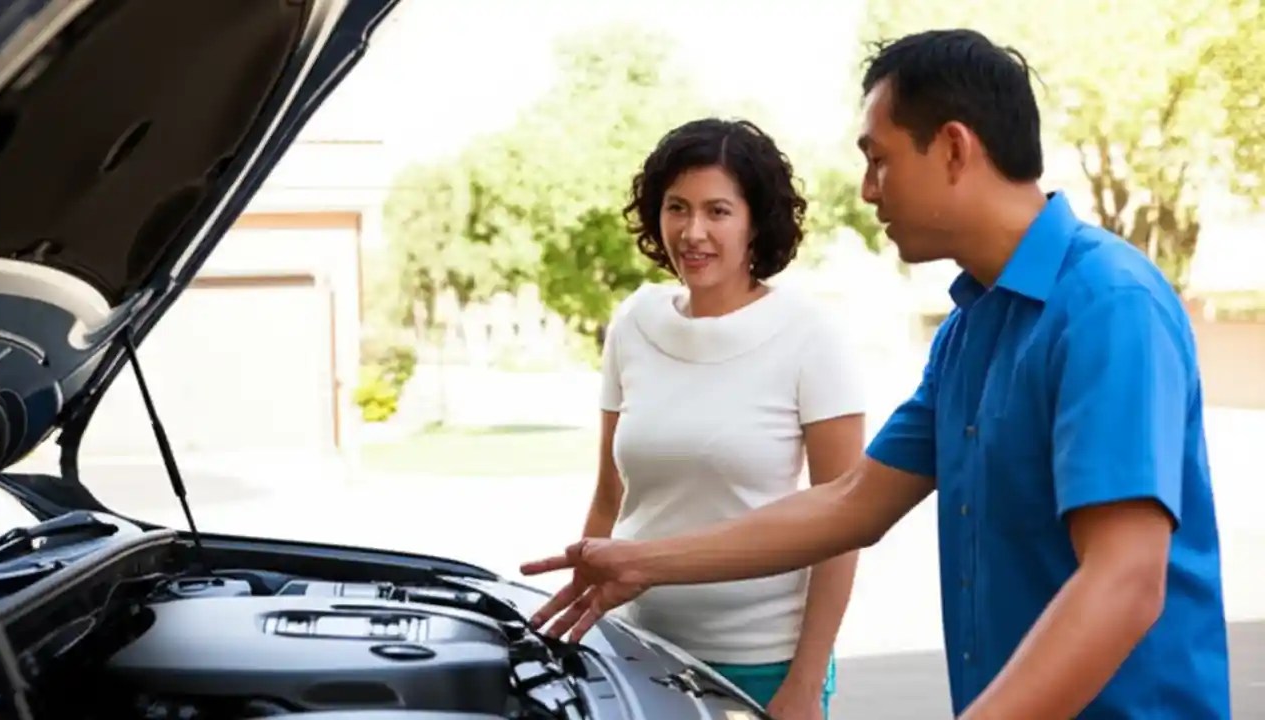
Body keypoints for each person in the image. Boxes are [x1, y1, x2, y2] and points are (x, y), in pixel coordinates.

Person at [521, 29, 1231, 720]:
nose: (866, 190)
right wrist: (642, 562)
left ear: (953, 148)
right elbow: (852, 501)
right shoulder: (967, 331)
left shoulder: (1107, 304)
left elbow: (1126, 580)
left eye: (879, 159)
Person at [577, 117, 867, 718]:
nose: (692, 232)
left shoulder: (811, 336)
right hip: (638, 654)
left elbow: (843, 528)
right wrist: (582, 621)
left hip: (763, 666)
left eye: (718, 211)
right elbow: (609, 496)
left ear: (756, 221)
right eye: (676, 208)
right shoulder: (634, 323)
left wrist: (805, 685)